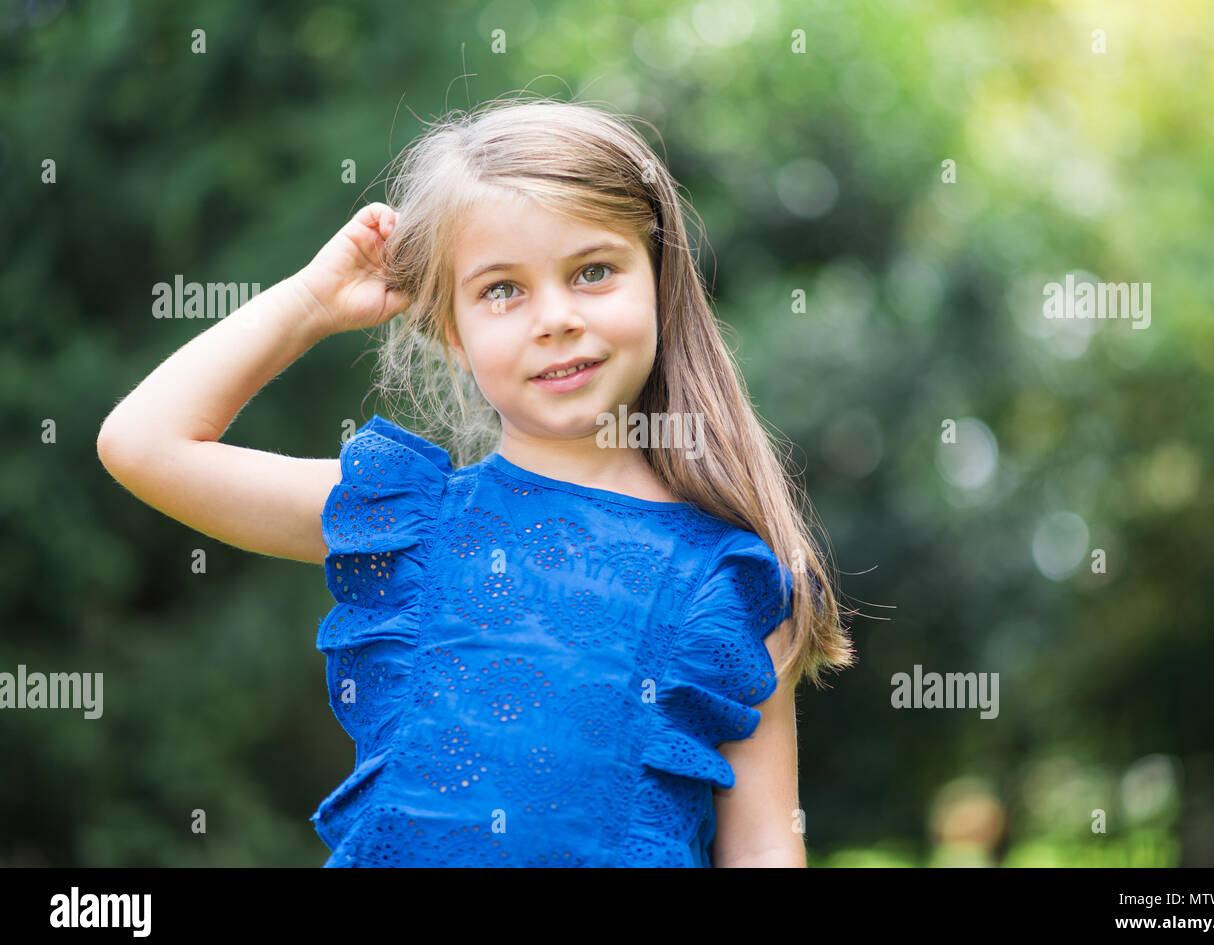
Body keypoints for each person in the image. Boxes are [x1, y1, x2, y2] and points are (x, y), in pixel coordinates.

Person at [97, 95, 857, 867]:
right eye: (503, 289)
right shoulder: (407, 528)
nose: (555, 317)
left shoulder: (732, 580)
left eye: (593, 271)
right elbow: (143, 442)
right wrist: (310, 303)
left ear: (658, 282)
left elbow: (765, 846)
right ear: (453, 333)